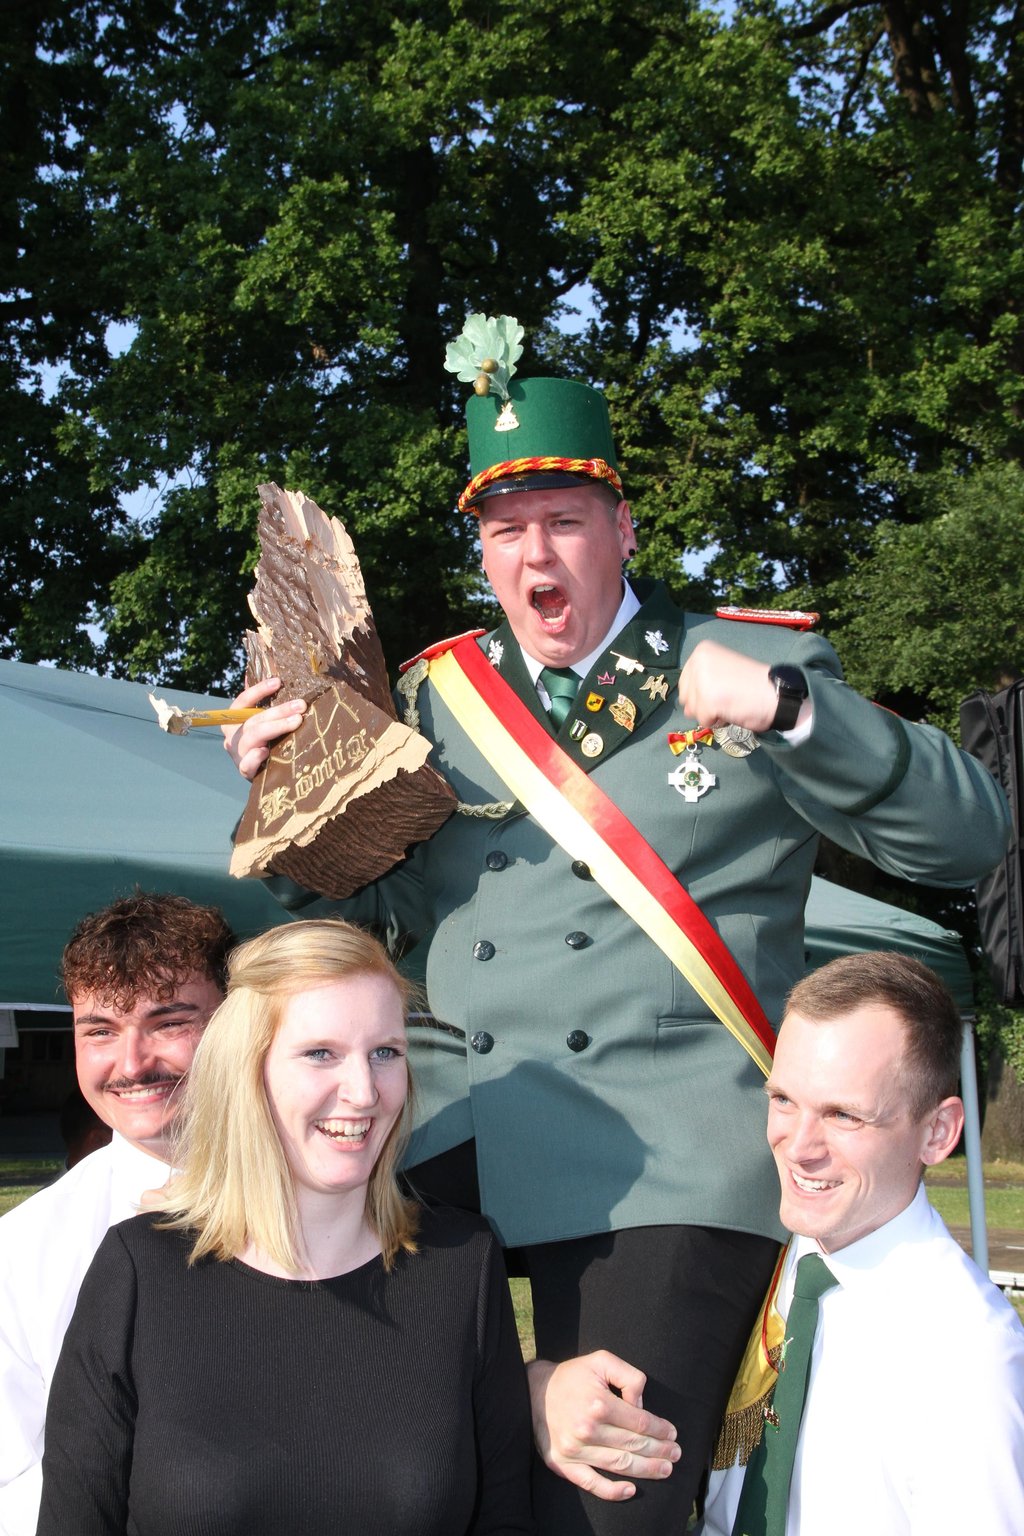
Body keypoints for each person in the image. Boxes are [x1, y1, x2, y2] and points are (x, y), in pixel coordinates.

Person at [223, 353, 1011, 1534]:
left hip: (670, 1150)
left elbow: (964, 839)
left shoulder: (748, 660)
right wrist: (289, 812)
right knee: (313, 1412)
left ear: (623, 528)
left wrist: (792, 712)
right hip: (458, 1118)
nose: (534, 555)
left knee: (608, 1496)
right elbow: (367, 935)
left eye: (564, 521)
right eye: (505, 530)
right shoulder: (432, 702)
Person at [37, 918, 535, 1536]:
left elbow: (505, 1517)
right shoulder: (139, 1270)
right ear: (248, 1072)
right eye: (320, 1053)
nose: (363, 1091)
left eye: (386, 1052)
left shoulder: (463, 1263)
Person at [700, 951, 1024, 1535]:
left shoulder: (966, 1355)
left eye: (843, 1115)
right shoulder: (774, 1260)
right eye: (783, 1099)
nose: (798, 1146)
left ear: (937, 1132)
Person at [0, 893, 232, 1536]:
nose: (132, 1064)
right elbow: (12, 1479)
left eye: (169, 1022)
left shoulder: (335, 1207)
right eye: (100, 1030)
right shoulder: (21, 1251)